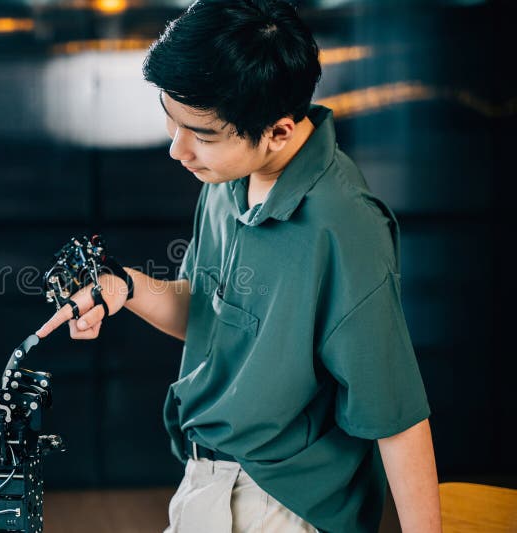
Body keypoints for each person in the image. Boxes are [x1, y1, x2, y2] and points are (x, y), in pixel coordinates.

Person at [36, 1, 441, 531]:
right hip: (206, 475)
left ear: (277, 131)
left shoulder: (345, 226)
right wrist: (124, 287)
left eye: (201, 134)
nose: (178, 150)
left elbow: (398, 415)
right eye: (171, 119)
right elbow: (210, 315)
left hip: (284, 501)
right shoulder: (226, 178)